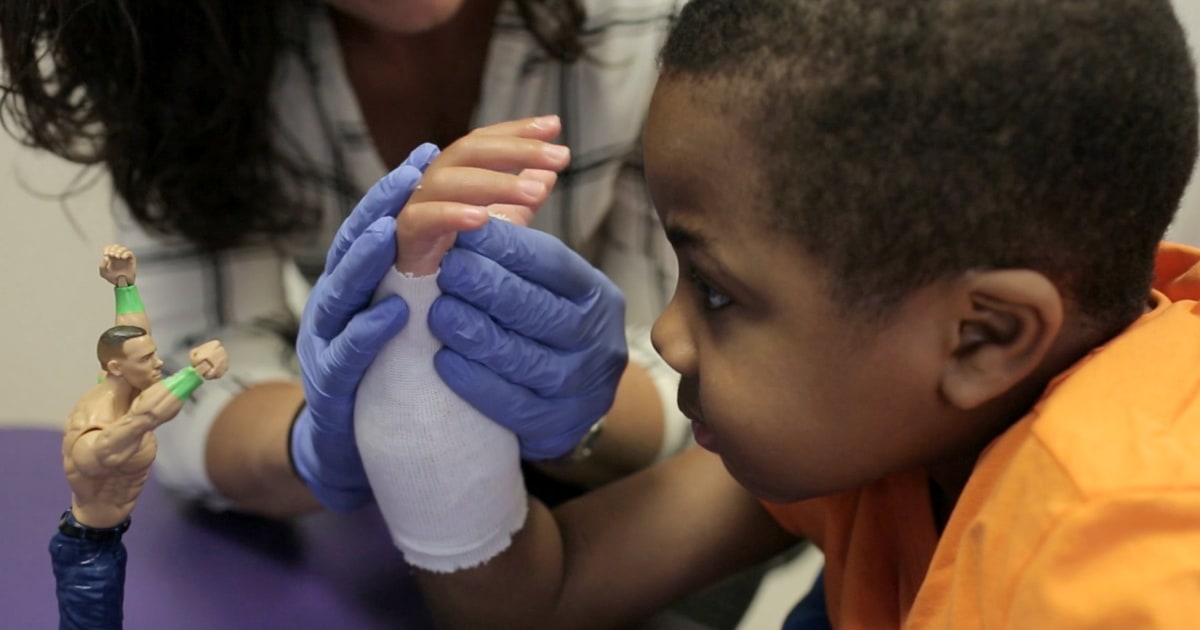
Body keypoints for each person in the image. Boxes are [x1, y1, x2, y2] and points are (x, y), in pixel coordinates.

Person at [339, 0, 1200, 626]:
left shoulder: (1120, 568)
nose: (667, 338)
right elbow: (536, 598)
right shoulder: (888, 419)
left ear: (985, 337)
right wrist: (417, 342)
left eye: (718, 293)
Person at [0, 0, 689, 517]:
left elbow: (707, 366)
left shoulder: (657, 20)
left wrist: (581, 405)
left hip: (626, 500)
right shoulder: (190, 53)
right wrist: (320, 441)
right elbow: (191, 369)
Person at [53, 245, 229, 630]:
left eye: (153, 355)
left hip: (107, 541)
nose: (159, 362)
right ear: (117, 368)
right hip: (88, 552)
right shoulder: (96, 429)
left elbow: (135, 338)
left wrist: (124, 285)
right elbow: (146, 417)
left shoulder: (121, 380)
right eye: (148, 360)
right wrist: (195, 374)